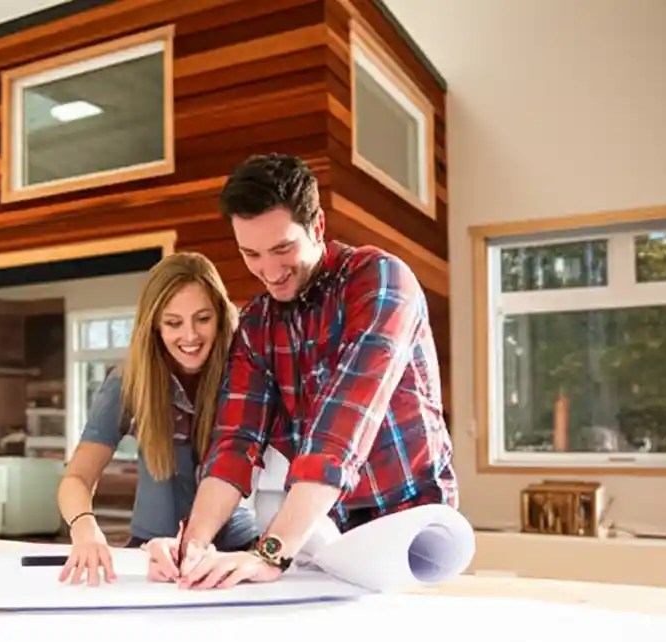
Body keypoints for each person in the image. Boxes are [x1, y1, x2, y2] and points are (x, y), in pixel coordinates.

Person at [146, 153, 459, 589]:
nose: (270, 271)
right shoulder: (256, 325)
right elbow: (235, 442)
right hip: (329, 528)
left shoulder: (381, 282)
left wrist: (270, 552)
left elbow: (341, 430)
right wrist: (193, 544)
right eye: (251, 254)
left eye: (282, 248)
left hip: (414, 525)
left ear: (317, 227)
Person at [55, 252, 259, 586]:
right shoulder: (127, 383)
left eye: (203, 318)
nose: (190, 336)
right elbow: (76, 478)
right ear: (154, 325)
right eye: (174, 323)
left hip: (234, 552)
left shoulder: (245, 376)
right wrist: (85, 528)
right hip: (150, 554)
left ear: (221, 317)